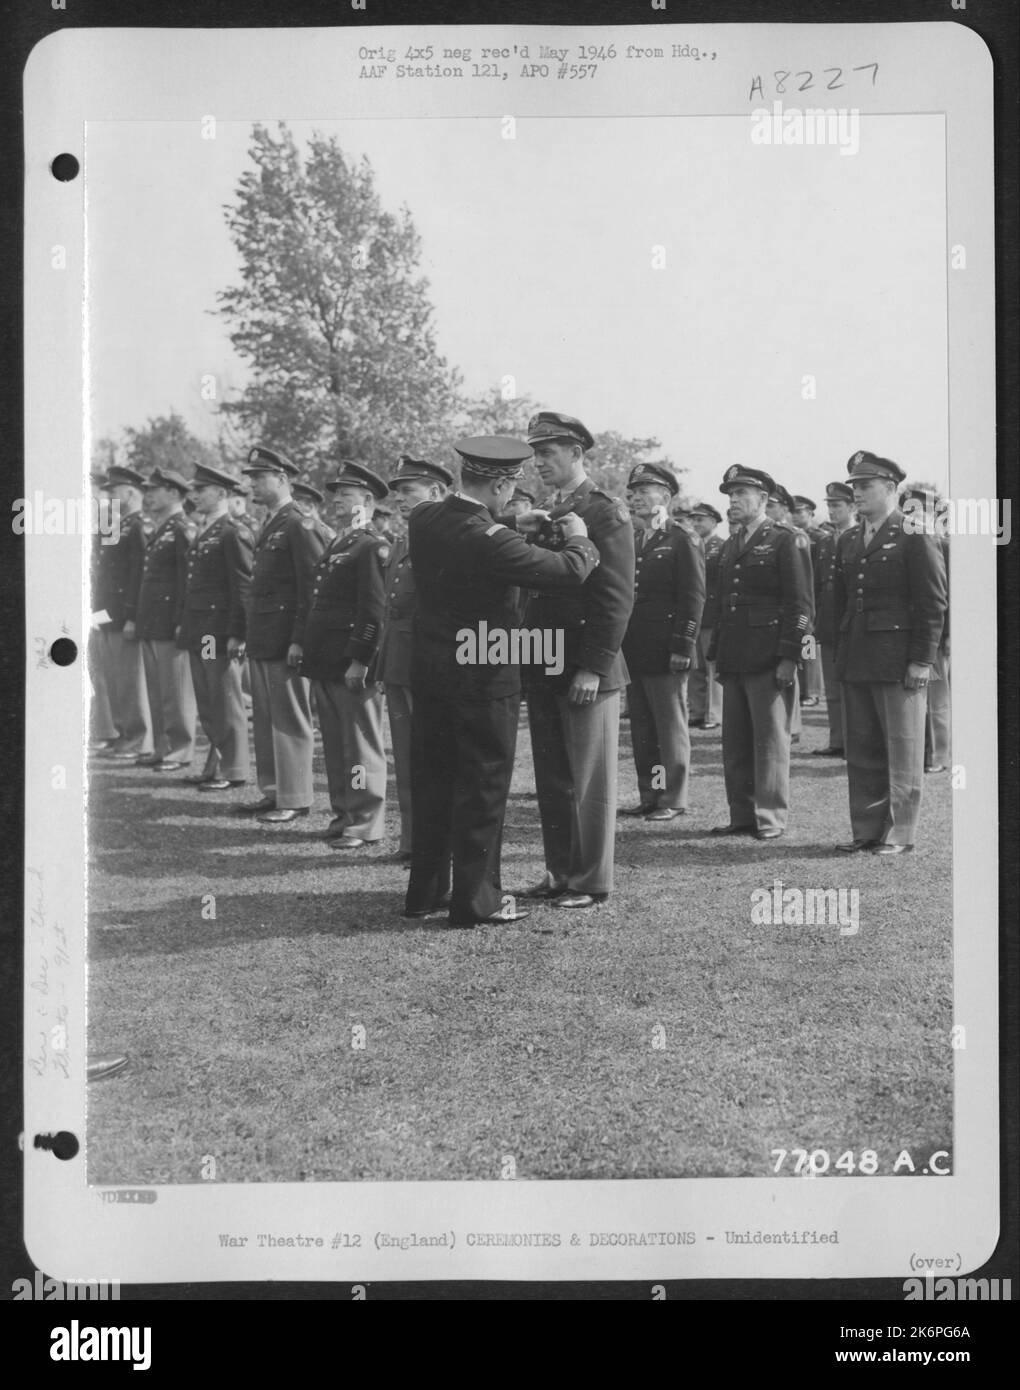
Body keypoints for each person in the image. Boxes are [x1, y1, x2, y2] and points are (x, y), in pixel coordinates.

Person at [404, 435, 600, 929]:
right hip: (484, 676)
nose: (512, 495)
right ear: (498, 483)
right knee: (483, 787)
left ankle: (425, 894)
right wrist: (580, 536)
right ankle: (477, 901)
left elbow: (465, 528)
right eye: (510, 487)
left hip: (431, 676)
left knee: (434, 784)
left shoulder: (424, 518)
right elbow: (568, 570)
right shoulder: (490, 541)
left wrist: (513, 520)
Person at [519, 411, 635, 910]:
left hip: (586, 664)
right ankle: (561, 870)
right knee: (553, 776)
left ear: (577, 455)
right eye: (536, 455)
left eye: (548, 454)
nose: (539, 463)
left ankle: (591, 879)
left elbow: (614, 597)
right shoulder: (548, 510)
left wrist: (593, 665)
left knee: (589, 781)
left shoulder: (605, 512)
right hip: (544, 660)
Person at [833, 453, 947, 855]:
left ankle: (900, 832)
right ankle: (866, 829)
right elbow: (842, 602)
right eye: (854, 486)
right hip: (858, 654)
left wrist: (922, 660)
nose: (857, 493)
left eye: (865, 485)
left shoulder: (915, 532)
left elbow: (932, 603)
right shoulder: (848, 538)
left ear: (891, 489)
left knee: (902, 747)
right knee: (862, 749)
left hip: (899, 658)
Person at [707, 466, 813, 840]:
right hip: (736, 656)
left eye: (741, 494)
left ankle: (769, 817)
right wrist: (718, 653)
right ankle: (742, 815)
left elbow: (800, 605)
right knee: (735, 742)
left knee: (769, 742)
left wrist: (789, 656)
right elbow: (723, 604)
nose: (733, 501)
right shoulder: (730, 543)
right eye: (730, 495)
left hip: (769, 657)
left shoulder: (787, 539)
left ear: (764, 499)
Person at [296, 461, 390, 849]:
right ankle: (343, 813)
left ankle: (366, 820)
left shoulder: (371, 545)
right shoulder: (340, 542)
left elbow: (373, 609)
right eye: (335, 493)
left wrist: (362, 659)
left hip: (350, 660)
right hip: (327, 659)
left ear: (367, 500)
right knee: (335, 744)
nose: (336, 500)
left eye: (346, 494)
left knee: (360, 743)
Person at [239, 445, 326, 824]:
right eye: (251, 478)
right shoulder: (273, 522)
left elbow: (313, 587)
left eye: (260, 477)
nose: (253, 484)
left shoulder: (299, 523)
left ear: (283, 479)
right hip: (263, 637)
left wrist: (300, 639)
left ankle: (295, 796)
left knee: (290, 719)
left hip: (284, 640)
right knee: (266, 718)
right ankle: (274, 791)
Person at [374, 453, 453, 863]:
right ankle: (413, 840)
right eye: (399, 493)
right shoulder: (405, 539)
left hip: (431, 662)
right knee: (406, 756)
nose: (401, 500)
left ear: (437, 492)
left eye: (409, 491)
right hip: (401, 661)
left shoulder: (448, 536)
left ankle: (437, 842)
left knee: (434, 758)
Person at [620, 462, 705, 819]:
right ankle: (651, 793)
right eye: (633, 492)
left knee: (669, 727)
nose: (635, 498)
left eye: (644, 491)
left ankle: (673, 798)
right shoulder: (634, 539)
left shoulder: (681, 538)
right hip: (636, 649)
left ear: (666, 497)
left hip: (667, 649)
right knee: (643, 728)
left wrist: (682, 646)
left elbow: (693, 597)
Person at [176, 463, 254, 791]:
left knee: (223, 697)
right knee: (208, 699)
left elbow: (243, 587)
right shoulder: (208, 529)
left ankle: (232, 767)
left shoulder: (232, 531)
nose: (194, 495)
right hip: (202, 630)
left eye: (201, 490)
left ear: (221, 494)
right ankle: (216, 763)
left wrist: (239, 632)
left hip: (217, 631)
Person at [132, 467, 198, 771]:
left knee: (175, 691)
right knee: (159, 690)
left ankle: (180, 749)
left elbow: (188, 580)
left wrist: (182, 620)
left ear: (174, 493)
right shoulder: (164, 528)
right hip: (154, 622)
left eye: (155, 490)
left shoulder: (183, 528)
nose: (149, 495)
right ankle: (162, 746)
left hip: (170, 623)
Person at [93, 465, 153, 761]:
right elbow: (107, 575)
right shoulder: (119, 525)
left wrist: (133, 616)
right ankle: (123, 734)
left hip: (125, 615)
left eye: (114, 491)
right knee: (115, 678)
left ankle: (138, 739)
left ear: (130, 492)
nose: (110, 496)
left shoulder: (140, 526)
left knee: (131, 681)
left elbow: (139, 577)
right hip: (108, 615)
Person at [811, 481, 856, 757]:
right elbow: (817, 584)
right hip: (828, 623)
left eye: (837, 505)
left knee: (852, 687)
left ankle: (854, 742)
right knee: (832, 688)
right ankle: (837, 740)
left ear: (852, 507)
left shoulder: (861, 536)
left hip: (851, 625)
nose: (832, 510)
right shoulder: (825, 541)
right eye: (829, 505)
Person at [687, 503, 724, 730]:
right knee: (695, 668)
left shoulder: (720, 546)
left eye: (701, 519)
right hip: (696, 615)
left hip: (712, 615)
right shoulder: (693, 544)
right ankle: (698, 711)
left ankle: (714, 714)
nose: (697, 524)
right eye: (695, 520)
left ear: (714, 521)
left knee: (712, 667)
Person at [792, 494, 826, 703]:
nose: (795, 516)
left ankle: (812, 691)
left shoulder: (819, 537)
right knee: (799, 641)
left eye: (800, 512)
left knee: (809, 643)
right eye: (793, 512)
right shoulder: (792, 535)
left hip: (813, 596)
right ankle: (802, 688)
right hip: (799, 596)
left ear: (811, 513)